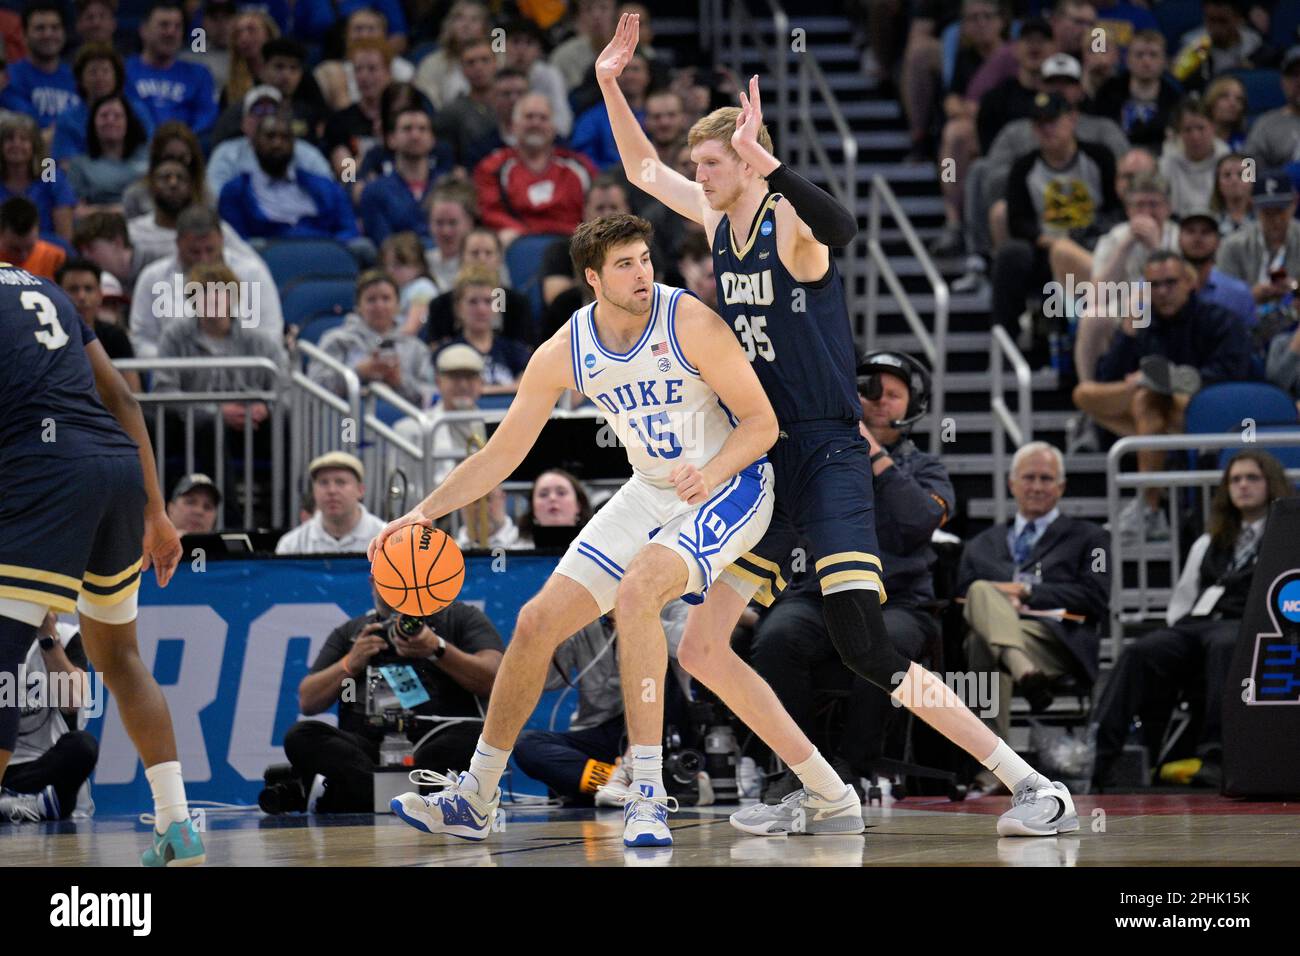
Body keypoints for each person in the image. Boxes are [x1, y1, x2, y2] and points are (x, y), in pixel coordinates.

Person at [598, 12, 1081, 839]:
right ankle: (826, 792)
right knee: (702, 648)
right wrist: (610, 81)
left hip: (827, 452)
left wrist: (770, 167)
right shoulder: (716, 223)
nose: (698, 177)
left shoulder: (791, 231)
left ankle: (1032, 783)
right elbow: (642, 166)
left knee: (862, 643)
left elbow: (843, 227)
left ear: (745, 162)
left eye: (711, 165)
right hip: (762, 458)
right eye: (700, 167)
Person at [373, 213, 779, 847]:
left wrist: (712, 469)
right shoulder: (565, 351)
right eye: (625, 264)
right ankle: (476, 796)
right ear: (593, 278)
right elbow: (500, 454)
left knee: (638, 592)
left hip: (733, 483)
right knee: (536, 623)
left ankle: (648, 794)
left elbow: (761, 424)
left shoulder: (691, 321)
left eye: (645, 259)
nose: (642, 272)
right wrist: (423, 512)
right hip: (650, 490)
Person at [0, 257, 203, 864]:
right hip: (116, 470)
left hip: (45, 472)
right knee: (120, 658)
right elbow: (120, 396)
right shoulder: (44, 287)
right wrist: (158, 512)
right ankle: (176, 826)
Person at [750, 351, 955, 797]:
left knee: (882, 647)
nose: (879, 402)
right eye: (868, 391)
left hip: (897, 601)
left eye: (894, 394)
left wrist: (874, 454)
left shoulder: (927, 468)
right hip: (817, 593)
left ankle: (852, 767)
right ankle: (802, 764)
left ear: (914, 405)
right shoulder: (816, 461)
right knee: (775, 638)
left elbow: (918, 522)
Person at [1092, 450, 1291, 789]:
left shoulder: (1287, 539)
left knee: (1226, 644)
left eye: (1252, 478)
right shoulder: (1209, 541)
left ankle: (1214, 754)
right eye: (1235, 479)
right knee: (1141, 650)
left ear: (1271, 483)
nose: (1242, 486)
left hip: (1246, 626)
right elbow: (1183, 599)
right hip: (1197, 624)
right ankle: (1100, 756)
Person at [264, 583, 503, 814]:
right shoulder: (353, 632)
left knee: (479, 735)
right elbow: (308, 701)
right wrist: (349, 663)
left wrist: (437, 649)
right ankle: (413, 799)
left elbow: (495, 679)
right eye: (390, 582)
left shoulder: (458, 617)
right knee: (301, 735)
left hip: (434, 740)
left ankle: (345, 797)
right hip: (367, 749)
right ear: (373, 582)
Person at [957, 442, 1109, 791]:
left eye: (1046, 478)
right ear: (1012, 484)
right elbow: (962, 597)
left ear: (1061, 487)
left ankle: (994, 768)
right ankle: (1021, 667)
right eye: (1029, 477)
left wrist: (1026, 592)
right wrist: (995, 600)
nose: (1037, 486)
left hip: (1056, 639)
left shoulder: (1090, 537)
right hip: (1007, 638)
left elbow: (1096, 597)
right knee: (981, 608)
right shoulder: (981, 543)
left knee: (984, 631)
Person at [1073, 249, 1252, 541]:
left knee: (1150, 400)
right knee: (1086, 394)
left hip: (1205, 410)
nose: (1163, 292)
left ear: (1189, 282)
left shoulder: (1219, 319)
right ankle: (1156, 460)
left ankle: (1149, 505)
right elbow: (1107, 376)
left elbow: (1233, 374)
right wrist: (1128, 334)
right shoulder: (1143, 323)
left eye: (1170, 283)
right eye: (1154, 285)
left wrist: (1176, 381)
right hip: (1154, 415)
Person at [513, 602, 691, 804]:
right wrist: (550, 636)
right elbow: (550, 681)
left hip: (664, 726)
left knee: (657, 666)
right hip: (602, 730)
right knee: (527, 745)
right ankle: (624, 783)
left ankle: (606, 784)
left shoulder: (677, 599)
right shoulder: (588, 608)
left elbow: (690, 645)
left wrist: (636, 615)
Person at [130, 205, 282, 358]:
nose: (204, 259)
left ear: (222, 240)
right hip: (178, 372)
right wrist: (176, 361)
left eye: (210, 250)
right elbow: (141, 341)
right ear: (178, 243)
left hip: (243, 373)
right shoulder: (152, 278)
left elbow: (271, 334)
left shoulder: (253, 273)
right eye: (195, 252)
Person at [0, 612, 98, 822]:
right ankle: (19, 804)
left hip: (44, 769)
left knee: (82, 746)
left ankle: (13, 801)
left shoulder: (67, 636)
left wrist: (48, 639)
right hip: (3, 763)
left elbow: (72, 702)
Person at [217, 112, 362, 247]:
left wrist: (331, 247)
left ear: (294, 144)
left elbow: (349, 230)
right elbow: (237, 244)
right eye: (270, 136)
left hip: (325, 257)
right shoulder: (235, 192)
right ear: (254, 143)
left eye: (285, 137)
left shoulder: (327, 188)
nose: (277, 144)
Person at [474, 93, 598, 246]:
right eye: (529, 117)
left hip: (572, 242)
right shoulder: (492, 167)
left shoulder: (580, 168)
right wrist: (524, 233)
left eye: (543, 118)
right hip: (517, 242)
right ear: (514, 126)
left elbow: (596, 207)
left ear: (553, 128)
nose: (536, 123)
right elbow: (490, 211)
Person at [310, 270, 433, 406]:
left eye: (386, 298)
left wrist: (399, 382)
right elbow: (315, 389)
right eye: (371, 300)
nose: (379, 306)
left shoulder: (416, 347)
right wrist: (359, 372)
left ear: (397, 305)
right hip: (346, 421)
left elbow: (429, 399)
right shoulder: (337, 340)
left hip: (403, 423)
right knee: (349, 426)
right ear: (358, 306)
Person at [206, 85, 333, 196]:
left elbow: (329, 192)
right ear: (244, 123)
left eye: (272, 110)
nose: (265, 117)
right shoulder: (226, 153)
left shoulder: (307, 153)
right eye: (258, 110)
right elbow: (215, 195)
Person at [393, 341, 487, 492]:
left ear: (481, 383)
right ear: (438, 381)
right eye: (455, 377)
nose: (463, 385)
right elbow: (401, 490)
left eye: (470, 377)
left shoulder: (494, 425)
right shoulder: (411, 429)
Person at [359, 103, 452, 247]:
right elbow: (385, 243)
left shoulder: (448, 187)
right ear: (391, 139)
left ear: (432, 139)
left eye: (422, 129)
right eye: (407, 129)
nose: (415, 136)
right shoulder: (374, 192)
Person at [51, 43, 156, 164]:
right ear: (80, 79)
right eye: (93, 72)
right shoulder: (68, 119)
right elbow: (66, 163)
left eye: (105, 71)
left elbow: (150, 152)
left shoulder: (137, 111)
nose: (100, 78)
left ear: (117, 76)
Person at [125, 2, 218, 135]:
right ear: (144, 30)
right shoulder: (123, 72)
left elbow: (206, 117)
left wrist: (181, 141)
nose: (171, 32)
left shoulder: (199, 74)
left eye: (177, 27)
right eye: (164, 25)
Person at [436, 265, 532, 393]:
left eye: (488, 301)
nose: (481, 310)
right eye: (473, 302)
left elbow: (528, 387)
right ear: (458, 308)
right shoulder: (446, 353)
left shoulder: (515, 351)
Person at [1086, 28, 1182, 152]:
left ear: (1164, 61)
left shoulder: (1175, 100)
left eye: (1153, 55)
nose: (1146, 61)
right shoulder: (1107, 93)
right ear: (1127, 59)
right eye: (1139, 54)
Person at [275, 452, 387, 555]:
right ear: (313, 491)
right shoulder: (291, 545)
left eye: (340, 482)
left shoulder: (385, 538)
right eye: (323, 482)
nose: (332, 490)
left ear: (360, 490)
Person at [56, 255, 139, 391]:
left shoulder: (116, 337)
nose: (82, 296)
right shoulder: (46, 338)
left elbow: (134, 394)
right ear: (57, 294)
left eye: (88, 289)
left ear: (100, 295)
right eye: (73, 289)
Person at [66, 93, 150, 209]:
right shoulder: (79, 165)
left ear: (128, 122)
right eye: (104, 116)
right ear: (93, 123)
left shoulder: (147, 155)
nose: (110, 121)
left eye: (117, 116)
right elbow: (78, 211)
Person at [0, 114, 74, 244]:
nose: (16, 144)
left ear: (35, 146)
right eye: (9, 139)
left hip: (46, 251)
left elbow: (65, 238)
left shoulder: (51, 175)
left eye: (23, 139)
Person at [7, 1, 77, 129]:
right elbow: (27, 125)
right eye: (40, 28)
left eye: (55, 28)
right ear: (23, 35)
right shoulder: (10, 77)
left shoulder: (78, 78)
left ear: (64, 33)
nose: (48, 34)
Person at [1159, 98, 1231, 218]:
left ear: (1213, 127)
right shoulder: (1165, 164)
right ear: (1179, 133)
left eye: (1201, 128)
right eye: (1188, 130)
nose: (1195, 136)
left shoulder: (1229, 160)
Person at [432, 38, 498, 168]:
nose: (478, 67)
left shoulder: (515, 106)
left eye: (485, 60)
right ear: (462, 69)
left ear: (496, 64)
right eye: (471, 63)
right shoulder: (450, 113)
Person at [1242, 46, 1300, 169]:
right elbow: (1247, 169)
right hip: (1283, 187)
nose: (1299, 81)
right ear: (1283, 82)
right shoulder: (1266, 124)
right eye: (1294, 75)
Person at [0, 196, 65, 279]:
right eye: (15, 249)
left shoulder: (56, 258)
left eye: (30, 247)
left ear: (38, 230)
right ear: (1, 233)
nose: (23, 256)